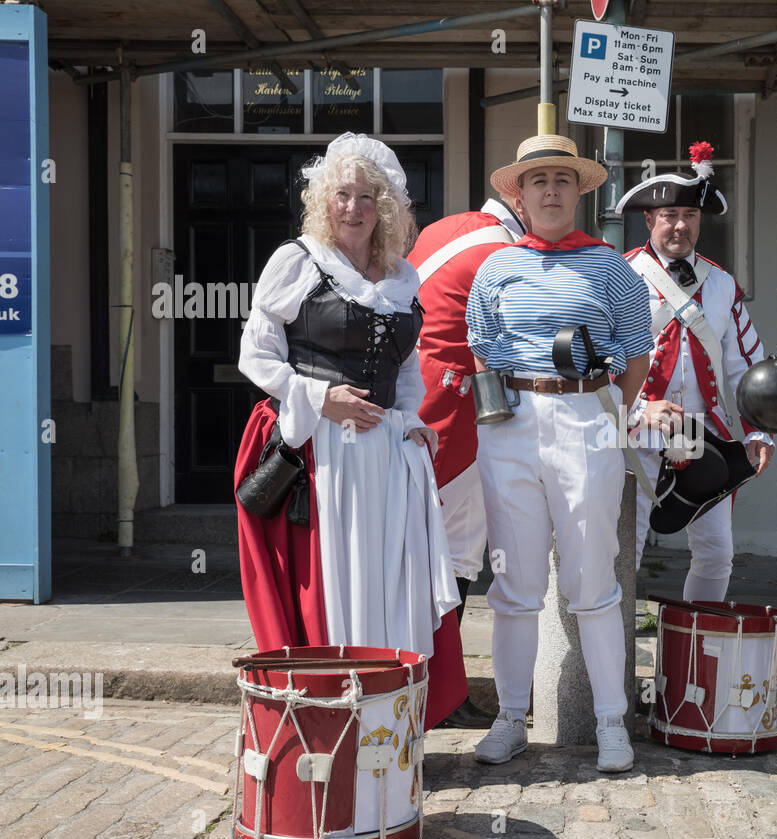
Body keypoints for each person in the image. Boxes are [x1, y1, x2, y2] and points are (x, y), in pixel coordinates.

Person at [234, 132, 465, 730]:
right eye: (342, 194)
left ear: (385, 206)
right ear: (323, 199)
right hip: (325, 450)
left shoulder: (403, 276)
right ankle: (339, 717)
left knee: (390, 580)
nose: (354, 207)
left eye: (368, 196)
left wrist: (412, 420)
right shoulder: (298, 261)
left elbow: (408, 367)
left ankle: (388, 722)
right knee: (337, 580)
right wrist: (321, 398)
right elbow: (255, 357)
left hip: (387, 454)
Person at [464, 134, 654, 773]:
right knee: (515, 586)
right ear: (518, 192)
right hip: (511, 420)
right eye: (538, 180)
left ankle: (610, 723)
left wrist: (598, 410)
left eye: (562, 180)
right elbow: (483, 345)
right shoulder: (496, 268)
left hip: (586, 418)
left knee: (593, 582)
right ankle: (511, 718)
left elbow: (636, 356)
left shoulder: (612, 267)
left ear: (580, 191)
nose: (550, 190)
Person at [616, 141, 774, 602]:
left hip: (704, 434)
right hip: (639, 429)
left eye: (690, 214)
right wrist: (637, 410)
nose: (680, 226)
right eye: (669, 215)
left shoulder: (722, 283)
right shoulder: (620, 275)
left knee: (716, 552)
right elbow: (601, 359)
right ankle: (618, 666)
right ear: (649, 220)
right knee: (626, 551)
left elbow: (747, 363)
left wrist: (757, 433)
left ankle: (693, 664)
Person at [407, 196, 527, 729]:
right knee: (456, 555)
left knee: (425, 551)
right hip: (457, 411)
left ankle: (428, 687)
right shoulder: (503, 252)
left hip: (417, 396)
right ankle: (441, 693)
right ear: (519, 199)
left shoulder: (444, 226)